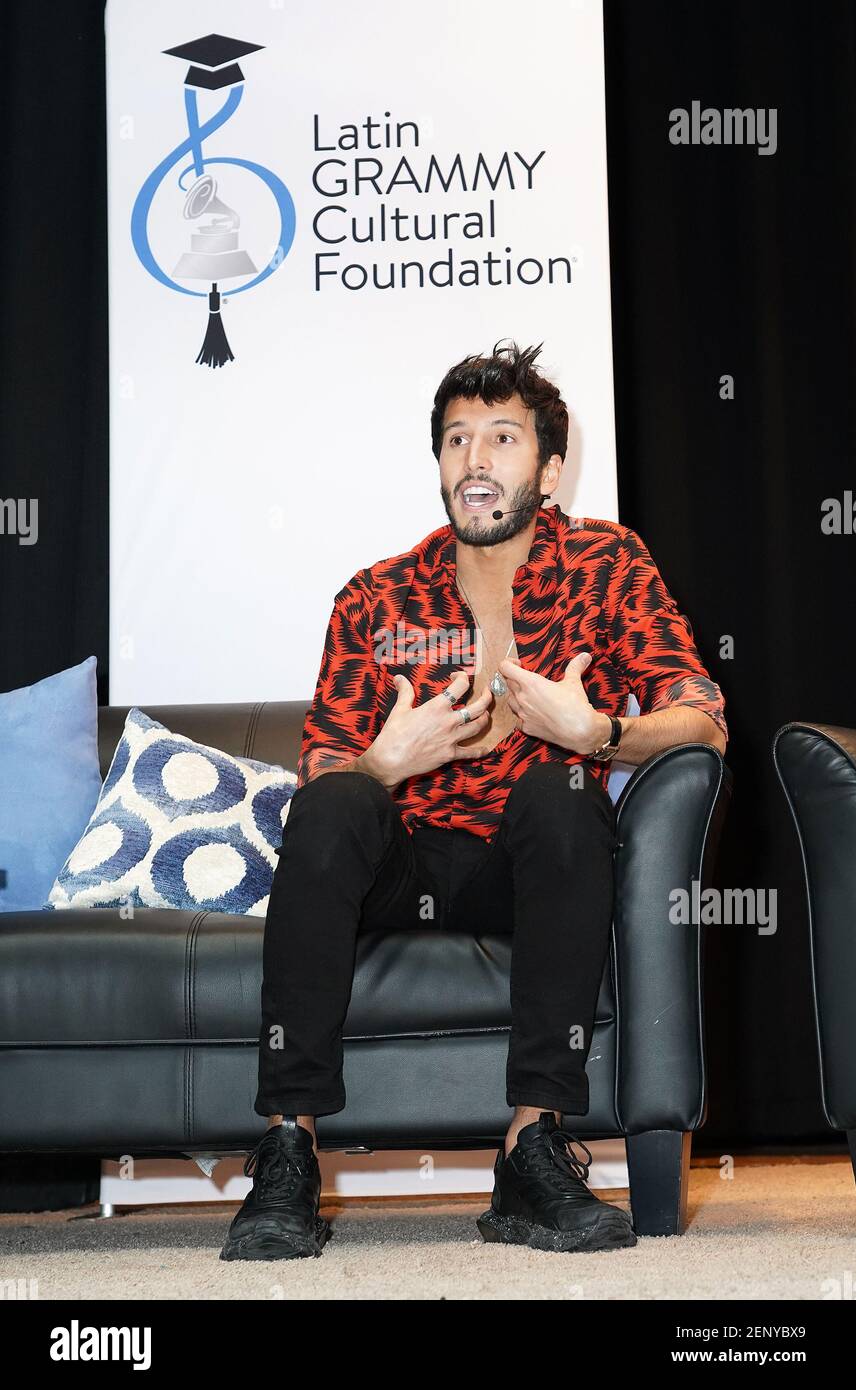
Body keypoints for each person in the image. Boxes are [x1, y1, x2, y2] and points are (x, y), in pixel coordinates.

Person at [220, 340, 728, 1262]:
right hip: (402, 862)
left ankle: (529, 1151)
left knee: (564, 791)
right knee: (333, 804)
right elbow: (322, 763)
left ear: (550, 466)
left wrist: (598, 735)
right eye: (456, 441)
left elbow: (702, 719)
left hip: (522, 865)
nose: (476, 461)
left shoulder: (607, 565)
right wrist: (382, 761)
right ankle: (288, 1153)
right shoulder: (377, 596)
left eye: (502, 437)